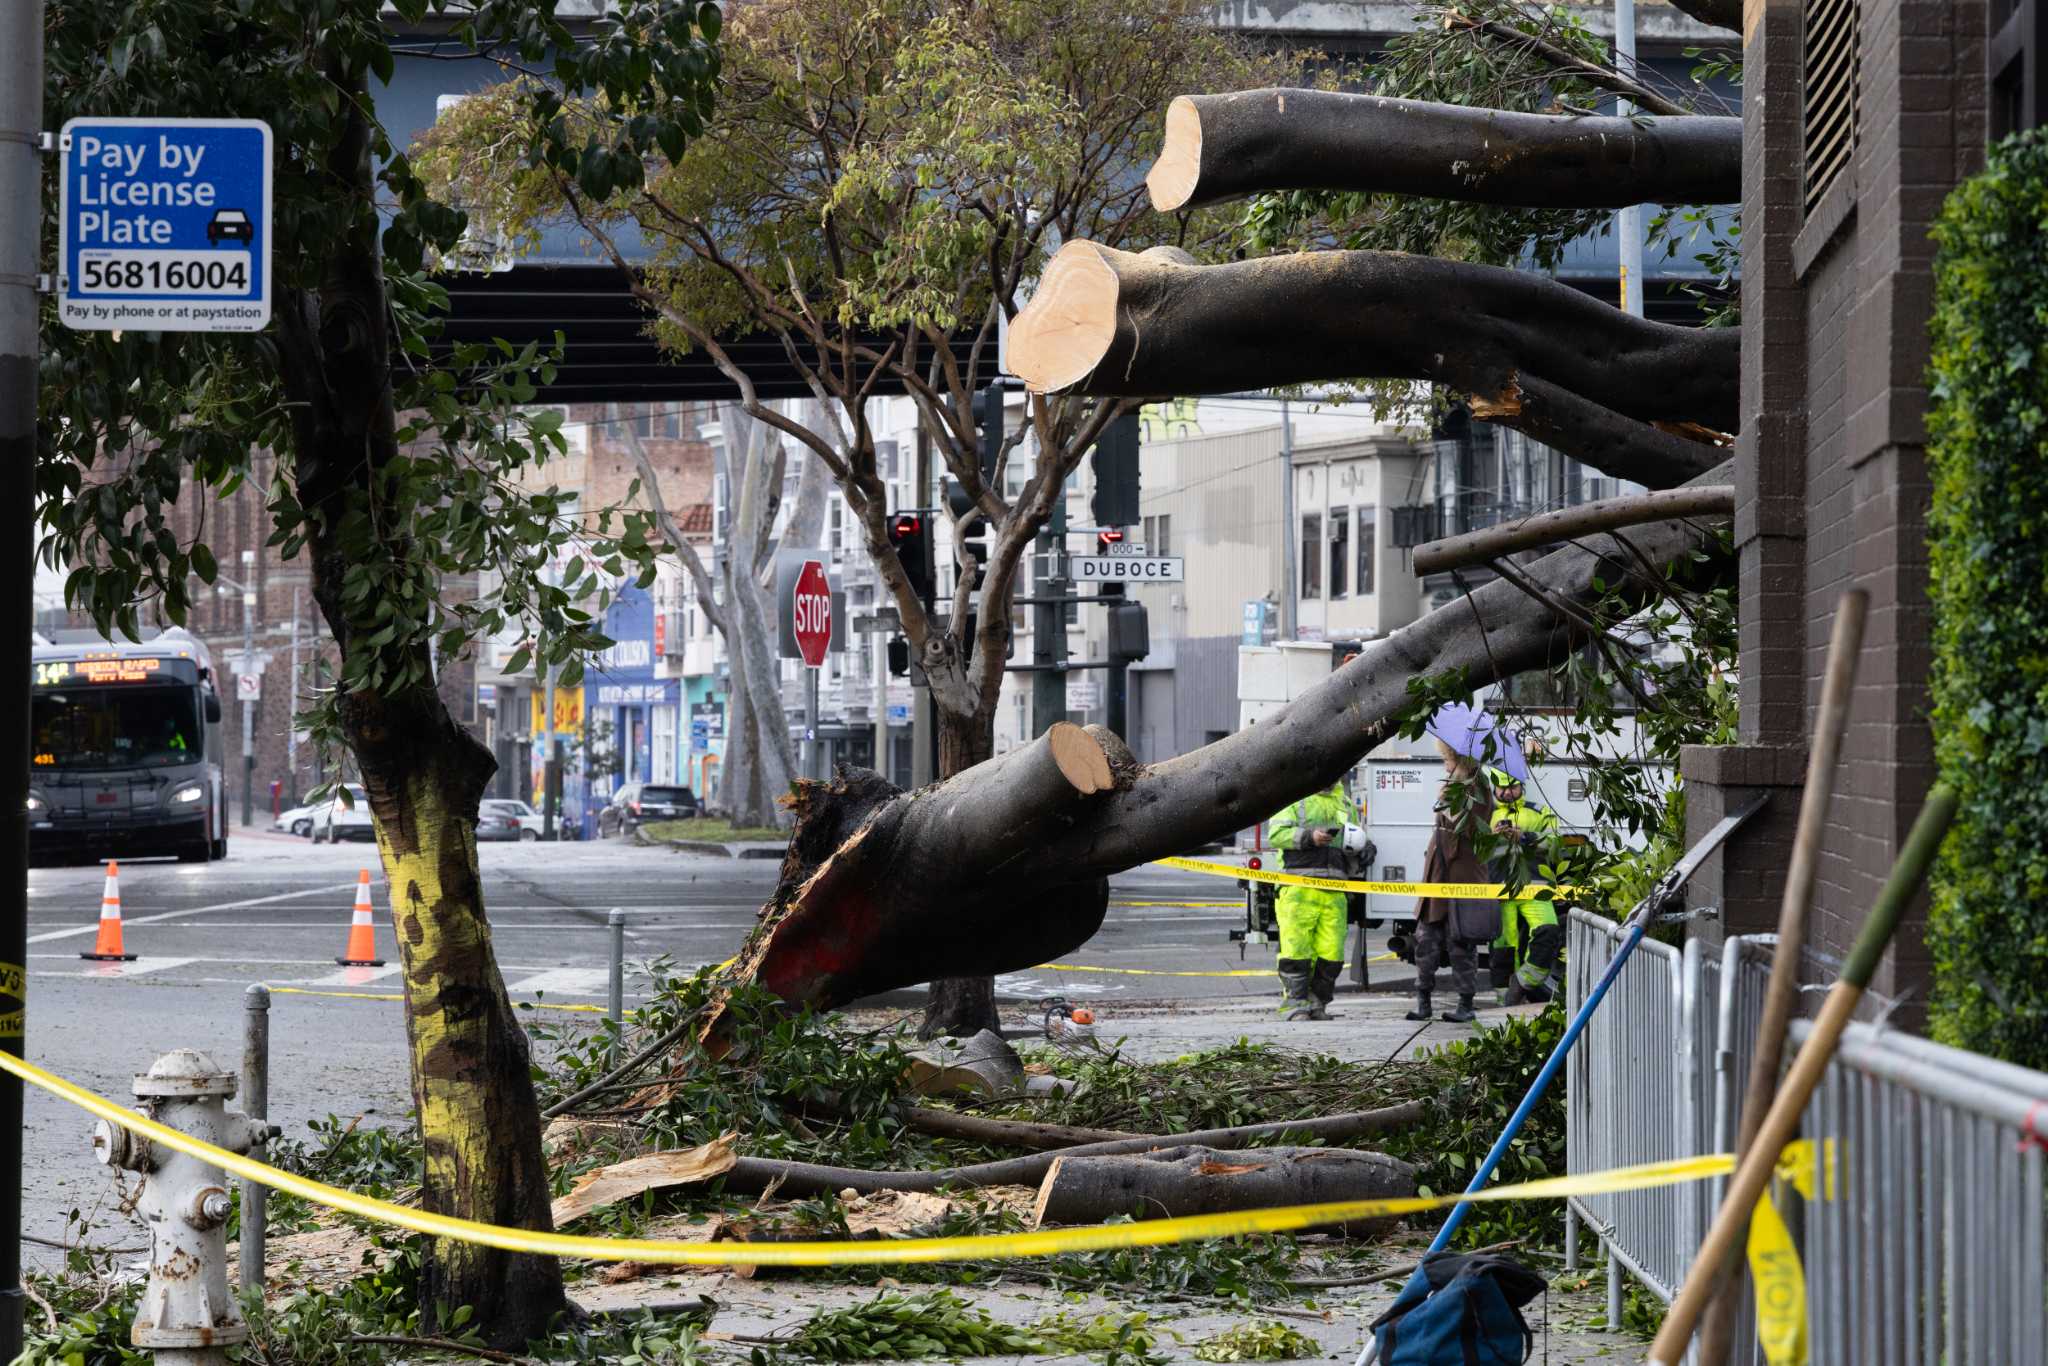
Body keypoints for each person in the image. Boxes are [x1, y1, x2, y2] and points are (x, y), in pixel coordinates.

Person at [1409, 741, 1497, 1024]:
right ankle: (1423, 1001)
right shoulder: (1453, 783)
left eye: (1446, 760)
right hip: (1438, 876)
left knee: (1461, 942)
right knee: (1426, 940)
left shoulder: (1478, 787)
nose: (1444, 765)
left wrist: (1448, 803)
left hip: (1464, 876)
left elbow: (1470, 827)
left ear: (1458, 759)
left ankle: (1465, 1003)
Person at [1267, 777, 1363, 1021]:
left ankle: (1317, 1002)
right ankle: (1295, 1005)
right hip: (1298, 888)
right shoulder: (1293, 798)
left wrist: (1364, 848)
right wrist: (1310, 837)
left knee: (1332, 954)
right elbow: (1276, 835)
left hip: (1335, 890)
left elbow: (1352, 840)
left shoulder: (1345, 804)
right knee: (1296, 950)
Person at [1487, 768, 1563, 1005]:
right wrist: (1491, 835)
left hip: (1534, 886)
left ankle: (1523, 983)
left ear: (1521, 786)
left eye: (1513, 787)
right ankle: (1504, 1003)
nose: (1508, 792)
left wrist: (1524, 837)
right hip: (1499, 890)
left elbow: (1555, 843)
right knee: (1502, 948)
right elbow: (1473, 850)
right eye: (1502, 788)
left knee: (1548, 931)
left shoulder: (1540, 812)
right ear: (1494, 788)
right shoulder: (1486, 815)